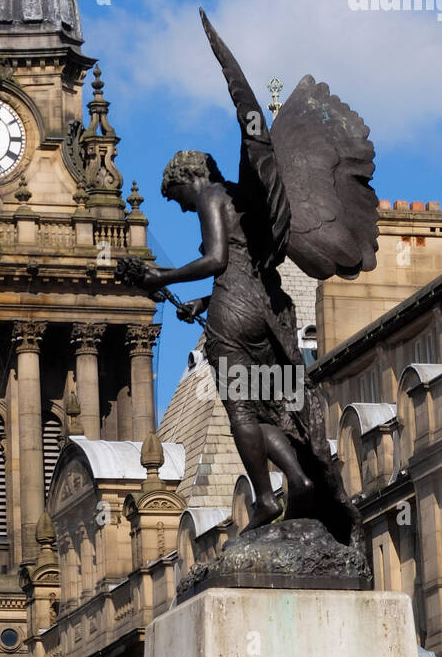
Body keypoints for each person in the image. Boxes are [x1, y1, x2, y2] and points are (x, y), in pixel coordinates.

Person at [131, 148, 362, 550]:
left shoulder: (209, 195)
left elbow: (216, 258)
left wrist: (160, 276)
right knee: (268, 405)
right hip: (266, 313)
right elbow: (243, 264)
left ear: (188, 178)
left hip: (233, 317)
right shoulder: (242, 197)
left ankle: (265, 499)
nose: (184, 208)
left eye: (177, 197)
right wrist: (204, 302)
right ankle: (299, 478)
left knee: (242, 409)